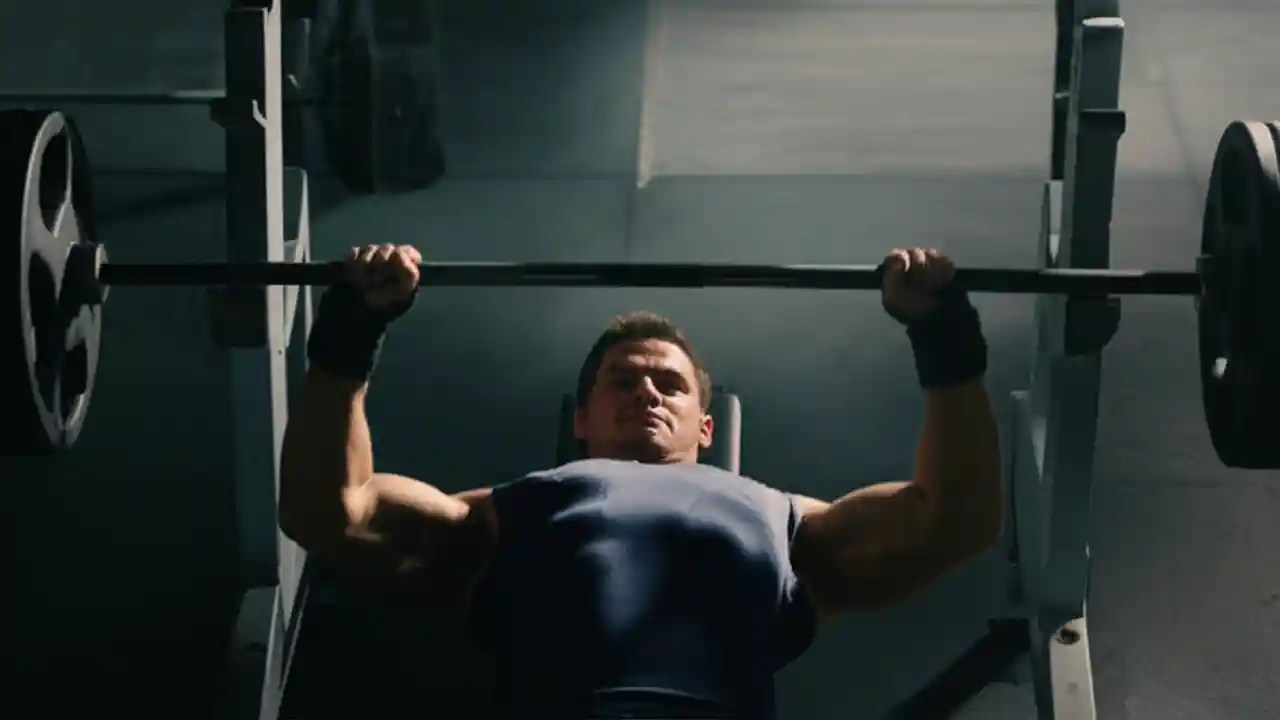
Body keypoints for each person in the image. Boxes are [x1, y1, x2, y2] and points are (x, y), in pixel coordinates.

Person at [279, 244, 1003, 719]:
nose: (648, 394)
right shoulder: (511, 512)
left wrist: (942, 335)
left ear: (706, 427)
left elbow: (955, 521)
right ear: (583, 419)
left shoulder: (785, 522)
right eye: (622, 381)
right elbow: (331, 512)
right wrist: (353, 330)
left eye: (670, 384)